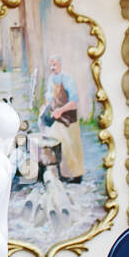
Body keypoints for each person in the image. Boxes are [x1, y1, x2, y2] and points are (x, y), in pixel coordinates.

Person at [44, 55, 85, 183]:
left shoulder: (67, 79)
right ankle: (64, 174)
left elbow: (74, 102)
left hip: (68, 118)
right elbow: (50, 98)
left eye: (54, 64)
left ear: (60, 65)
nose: (52, 67)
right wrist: (46, 106)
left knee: (71, 146)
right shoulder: (51, 79)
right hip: (57, 118)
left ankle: (76, 175)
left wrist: (60, 110)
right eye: (51, 65)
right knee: (58, 144)